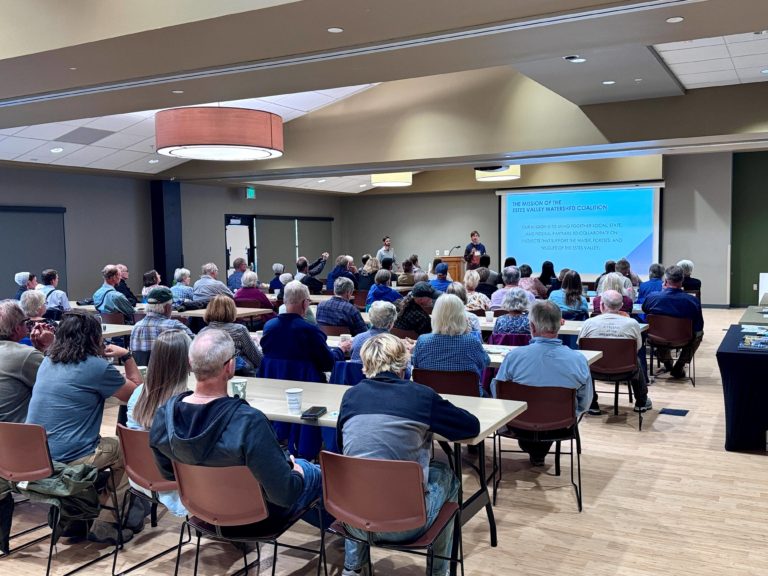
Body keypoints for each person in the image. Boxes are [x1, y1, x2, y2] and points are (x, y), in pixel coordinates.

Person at [150, 329, 326, 532]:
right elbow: (284, 495)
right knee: (315, 472)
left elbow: (169, 473)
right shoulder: (248, 422)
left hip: (202, 510)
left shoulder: (165, 415)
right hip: (258, 516)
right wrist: (296, 473)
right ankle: (352, 539)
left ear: (190, 364)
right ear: (230, 366)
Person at [338, 333, 480, 576]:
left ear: (366, 364)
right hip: (406, 523)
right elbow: (471, 427)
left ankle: (352, 568)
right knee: (447, 474)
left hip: (352, 520)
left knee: (359, 475)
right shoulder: (421, 396)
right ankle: (439, 571)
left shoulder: (350, 396)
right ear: (405, 363)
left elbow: (341, 447)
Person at [26, 311, 141, 544]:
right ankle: (106, 523)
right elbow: (137, 395)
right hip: (71, 457)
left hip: (35, 457)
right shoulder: (96, 367)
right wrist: (127, 356)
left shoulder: (47, 361)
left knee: (101, 447)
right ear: (94, 337)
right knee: (131, 451)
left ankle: (75, 516)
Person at [492, 300, 592, 466]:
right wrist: (570, 414)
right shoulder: (578, 360)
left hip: (518, 424)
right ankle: (538, 454)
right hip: (560, 424)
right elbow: (585, 402)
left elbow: (497, 392)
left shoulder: (513, 357)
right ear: (560, 324)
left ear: (531, 326)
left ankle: (535, 453)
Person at [126, 329, 190, 517]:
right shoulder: (185, 403)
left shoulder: (137, 394)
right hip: (177, 481)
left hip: (138, 476)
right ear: (187, 361)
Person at [578, 290, 652, 414]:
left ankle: (592, 403)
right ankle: (641, 401)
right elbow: (637, 348)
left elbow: (582, 348)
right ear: (621, 305)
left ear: (601, 305)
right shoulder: (632, 324)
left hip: (595, 370)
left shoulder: (588, 323)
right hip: (625, 370)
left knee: (584, 362)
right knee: (636, 360)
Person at [260, 281, 351, 379]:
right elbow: (328, 364)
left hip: (274, 381)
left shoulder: (268, 327)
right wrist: (340, 350)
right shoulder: (310, 331)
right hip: (306, 385)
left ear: (284, 301)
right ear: (305, 303)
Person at [411, 294, 490, 391]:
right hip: (467, 395)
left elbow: (416, 364)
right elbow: (485, 362)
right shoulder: (471, 341)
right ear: (462, 315)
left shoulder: (422, 341)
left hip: (431, 396)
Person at [642, 265, 704, 379]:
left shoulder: (652, 298)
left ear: (665, 280)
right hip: (683, 339)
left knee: (658, 331)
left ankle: (667, 363)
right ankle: (679, 366)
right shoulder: (692, 301)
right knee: (699, 334)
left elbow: (645, 310)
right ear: (682, 281)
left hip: (656, 338)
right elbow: (699, 326)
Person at [0, 300, 52, 423]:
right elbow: (57, 382)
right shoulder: (25, 354)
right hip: (16, 434)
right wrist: (50, 346)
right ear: (17, 328)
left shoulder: (25, 354)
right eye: (26, 322)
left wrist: (38, 350)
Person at [202, 295, 263, 375]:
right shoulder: (239, 330)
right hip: (238, 375)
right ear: (231, 310)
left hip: (212, 375)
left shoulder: (203, 333)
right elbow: (257, 358)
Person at [130, 287, 194, 357]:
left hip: (143, 367)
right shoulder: (175, 326)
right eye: (171, 305)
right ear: (167, 307)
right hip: (168, 367)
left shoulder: (136, 327)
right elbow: (197, 344)